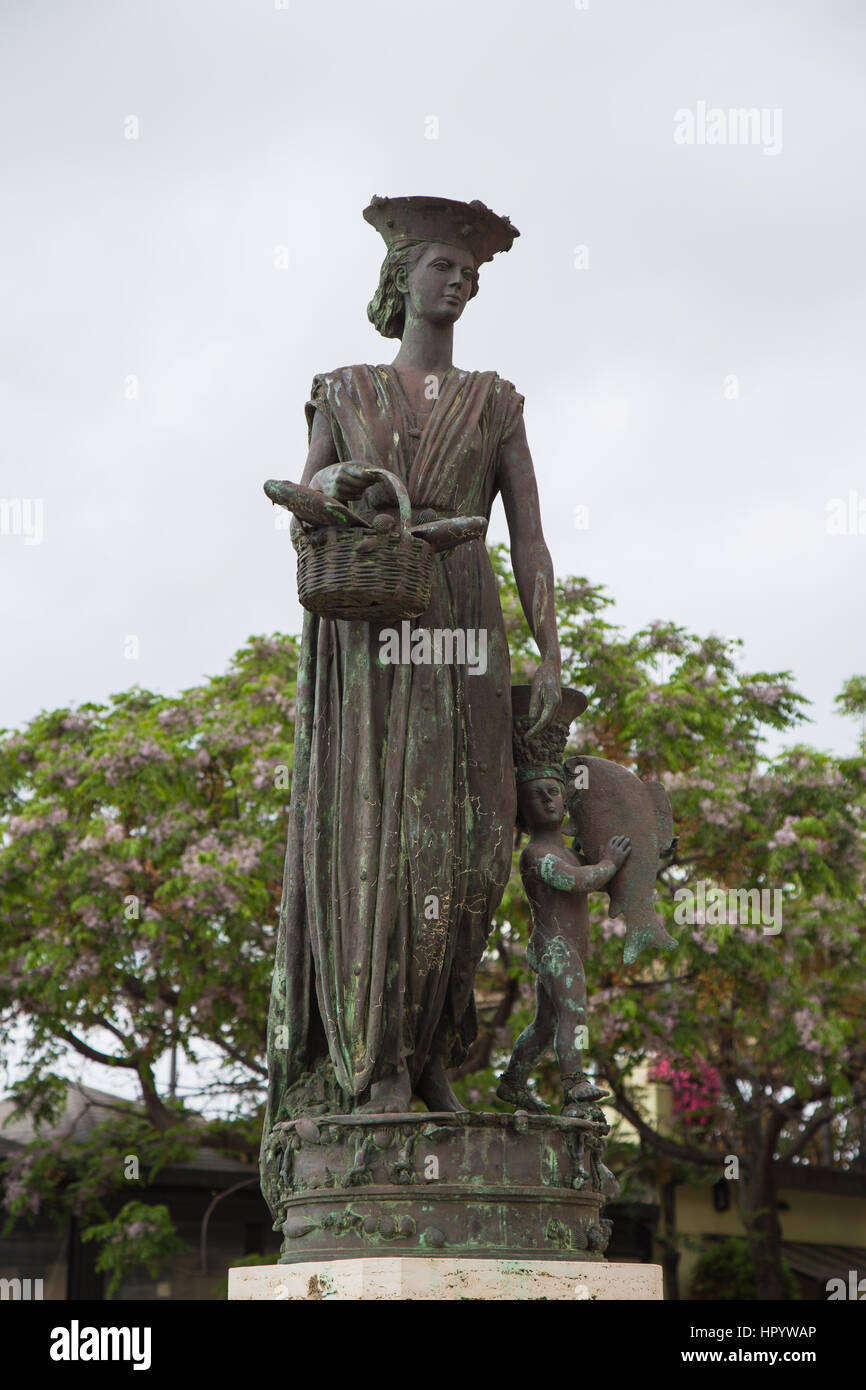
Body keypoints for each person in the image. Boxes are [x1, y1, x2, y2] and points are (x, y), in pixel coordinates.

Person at [263, 196, 562, 1129]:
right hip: (372, 639)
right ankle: (378, 1061)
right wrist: (341, 484)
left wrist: (551, 654)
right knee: (378, 841)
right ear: (400, 279)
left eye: (470, 271)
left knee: (472, 842)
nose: (459, 280)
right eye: (443, 264)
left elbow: (532, 540)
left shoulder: (497, 400)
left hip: (467, 627)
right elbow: (301, 499)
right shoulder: (344, 388)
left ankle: (434, 1041)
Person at [497, 768, 631, 1115]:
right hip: (554, 946)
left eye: (553, 792)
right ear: (522, 812)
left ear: (565, 800)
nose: (546, 800)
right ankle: (574, 1082)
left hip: (562, 946)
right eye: (535, 796)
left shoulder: (571, 852)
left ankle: (512, 1082)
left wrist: (646, 853)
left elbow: (602, 879)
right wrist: (609, 862)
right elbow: (577, 881)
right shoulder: (537, 854)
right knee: (573, 1011)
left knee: (546, 1024)